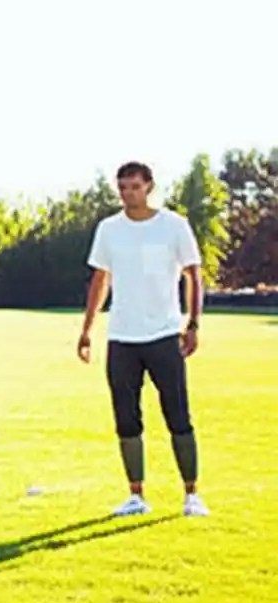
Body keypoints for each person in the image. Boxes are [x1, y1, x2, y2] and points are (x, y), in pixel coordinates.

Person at [78, 161, 209, 518]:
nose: (127, 193)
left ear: (149, 186)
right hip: (122, 337)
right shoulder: (109, 229)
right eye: (122, 187)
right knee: (126, 418)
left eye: (133, 186)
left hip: (164, 335)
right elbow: (100, 280)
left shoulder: (173, 226)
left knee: (178, 414)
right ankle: (136, 495)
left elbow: (193, 276)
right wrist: (87, 329)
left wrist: (193, 323)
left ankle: (191, 495)